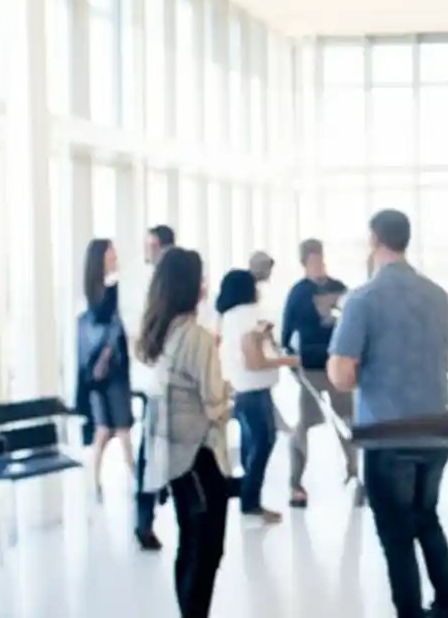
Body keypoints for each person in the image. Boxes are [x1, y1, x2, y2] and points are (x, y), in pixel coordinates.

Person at [328, 209, 448, 618]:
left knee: (396, 537)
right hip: (436, 429)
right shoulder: (439, 295)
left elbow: (341, 374)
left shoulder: (363, 299)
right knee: (427, 521)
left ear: (374, 240)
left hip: (388, 436)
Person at [135, 248, 231, 618]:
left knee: (189, 543)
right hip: (199, 453)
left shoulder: (160, 331)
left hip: (172, 456)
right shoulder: (197, 337)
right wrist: (229, 394)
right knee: (207, 547)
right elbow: (214, 402)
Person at [217, 269, 298, 523]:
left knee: (250, 444)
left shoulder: (227, 317)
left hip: (240, 390)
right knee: (263, 443)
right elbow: (255, 361)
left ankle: (247, 496)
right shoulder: (249, 317)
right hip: (255, 392)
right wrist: (291, 360)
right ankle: (250, 500)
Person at [281, 238, 354, 508]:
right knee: (305, 423)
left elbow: (353, 322)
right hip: (310, 367)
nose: (317, 263)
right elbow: (286, 332)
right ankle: (295, 482)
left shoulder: (339, 288)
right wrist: (291, 361)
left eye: (320, 258)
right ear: (304, 262)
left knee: (347, 419)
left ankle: (355, 474)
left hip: (337, 363)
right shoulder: (298, 293)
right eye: (312, 259)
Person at [76, 238, 134, 502]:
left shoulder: (88, 293)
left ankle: (94, 482)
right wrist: (108, 356)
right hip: (113, 371)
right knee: (121, 427)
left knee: (103, 429)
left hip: (94, 373)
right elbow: (114, 331)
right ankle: (137, 476)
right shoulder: (111, 291)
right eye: (111, 251)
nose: (115, 254)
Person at [134, 223, 177, 551]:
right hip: (161, 388)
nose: (147, 251)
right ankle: (146, 517)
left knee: (154, 454)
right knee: (156, 454)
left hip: (164, 387)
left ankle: (147, 516)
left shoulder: (165, 286)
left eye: (150, 245)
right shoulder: (152, 286)